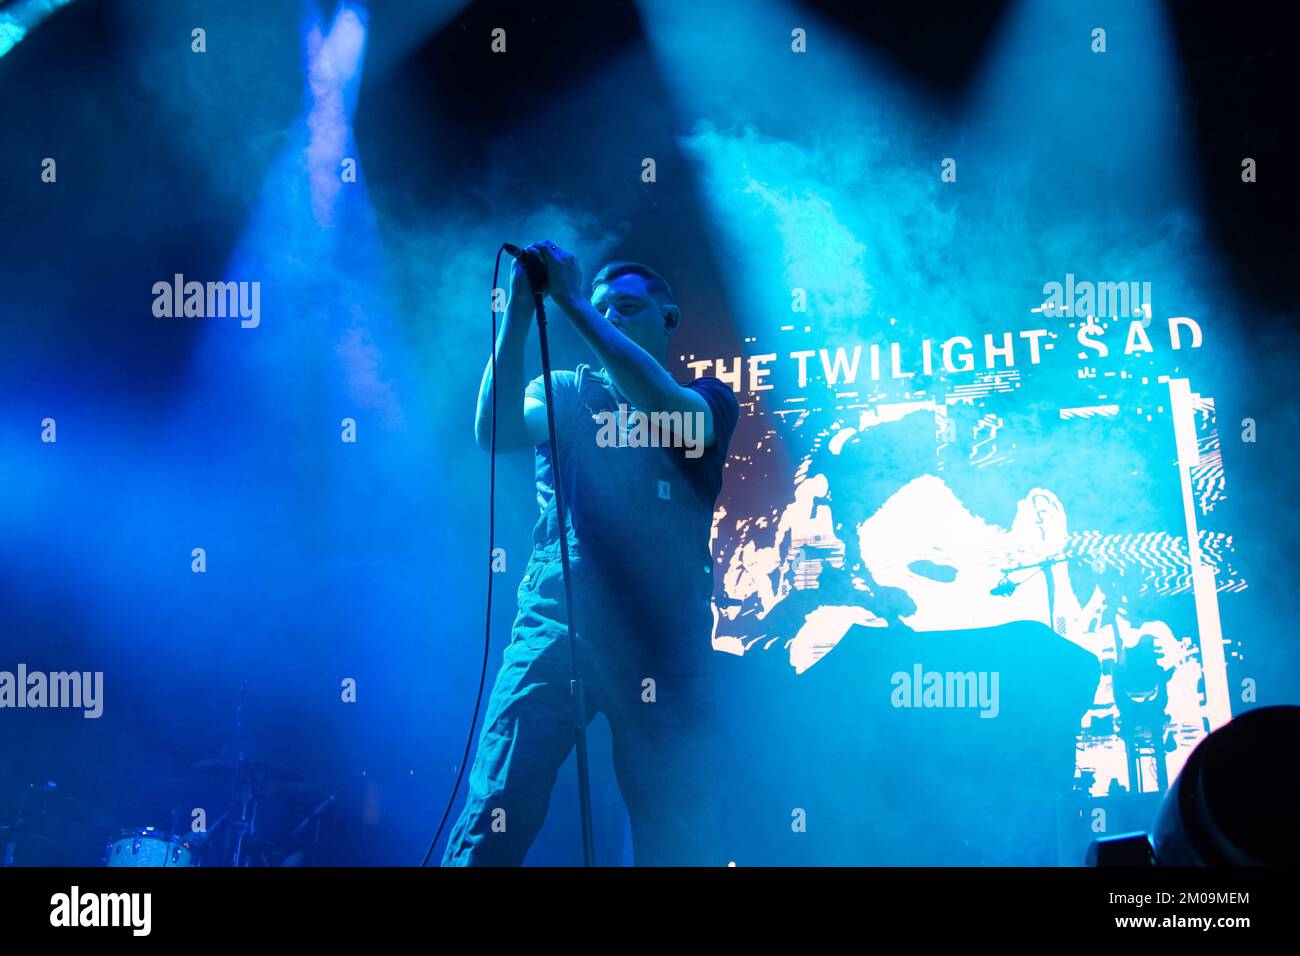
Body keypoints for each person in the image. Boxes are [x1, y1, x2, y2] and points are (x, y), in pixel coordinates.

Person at [442, 240, 740, 866]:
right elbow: (491, 431)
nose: (609, 317)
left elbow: (667, 409)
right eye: (603, 307)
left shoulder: (710, 398)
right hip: (561, 622)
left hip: (666, 636)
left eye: (626, 308)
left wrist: (575, 302)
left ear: (668, 319)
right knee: (498, 804)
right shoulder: (568, 391)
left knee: (679, 832)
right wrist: (520, 313)